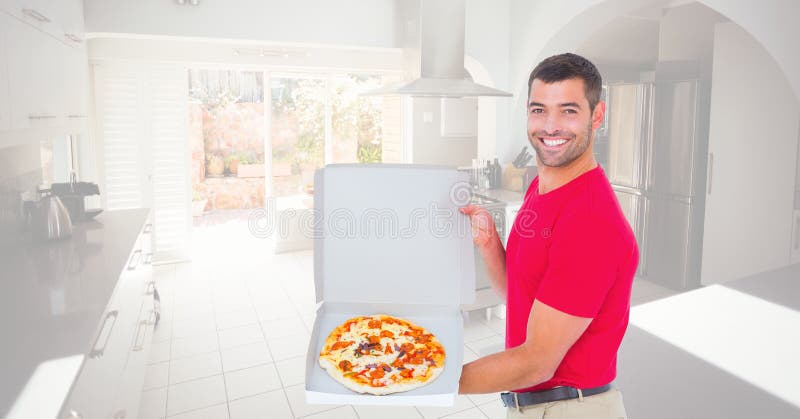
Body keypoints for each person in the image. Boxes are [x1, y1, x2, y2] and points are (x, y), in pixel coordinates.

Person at [458, 53, 638, 418]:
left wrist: (426, 377)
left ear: (597, 116)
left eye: (568, 111)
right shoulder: (541, 189)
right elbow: (519, 296)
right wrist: (490, 244)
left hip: (572, 410)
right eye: (539, 110)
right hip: (538, 408)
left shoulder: (590, 221)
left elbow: (537, 363)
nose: (550, 126)